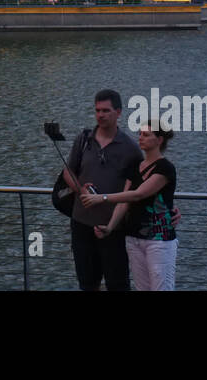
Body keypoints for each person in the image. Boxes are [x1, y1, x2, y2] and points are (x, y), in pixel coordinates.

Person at [61, 89, 141, 291]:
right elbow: (68, 172)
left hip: (112, 227)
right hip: (81, 223)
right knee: (87, 283)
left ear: (119, 112)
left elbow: (144, 186)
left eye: (106, 110)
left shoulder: (130, 148)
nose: (100, 115)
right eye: (97, 110)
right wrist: (80, 190)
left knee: (118, 284)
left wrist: (169, 209)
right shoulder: (83, 139)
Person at [95, 121, 178, 290]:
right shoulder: (135, 166)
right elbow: (124, 201)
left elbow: (138, 194)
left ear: (159, 140)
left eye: (146, 135)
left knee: (161, 287)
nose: (141, 138)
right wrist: (110, 227)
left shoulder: (165, 168)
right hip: (134, 237)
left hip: (159, 239)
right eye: (140, 134)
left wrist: (102, 198)